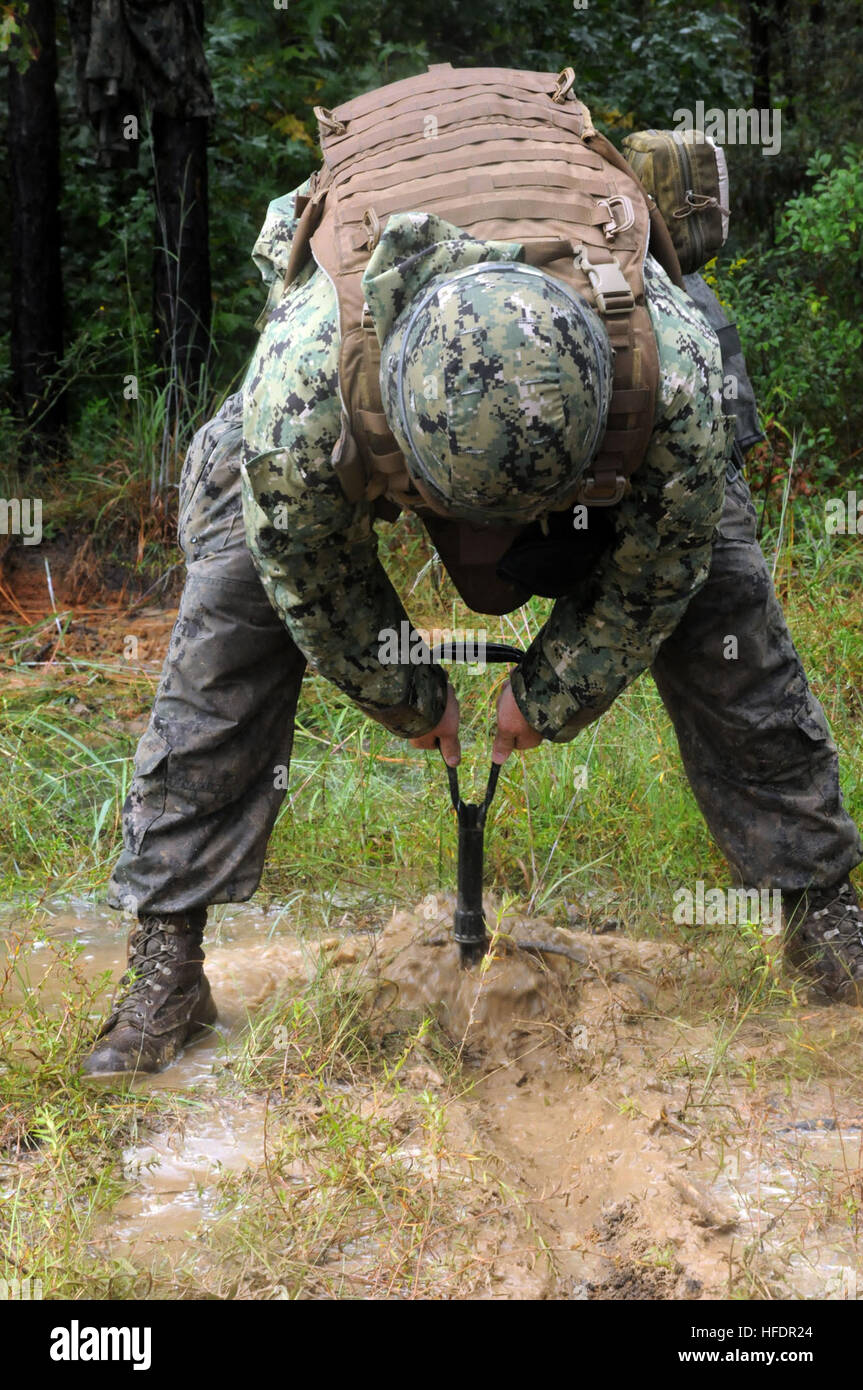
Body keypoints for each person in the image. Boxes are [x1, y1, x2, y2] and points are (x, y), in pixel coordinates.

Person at [81, 66, 862, 1080]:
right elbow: (310, 582)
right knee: (232, 611)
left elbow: (655, 574)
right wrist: (407, 696)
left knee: (726, 606)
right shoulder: (302, 394)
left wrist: (547, 693)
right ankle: (165, 959)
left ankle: (823, 911)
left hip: (599, 334)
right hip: (349, 363)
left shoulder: (668, 369)